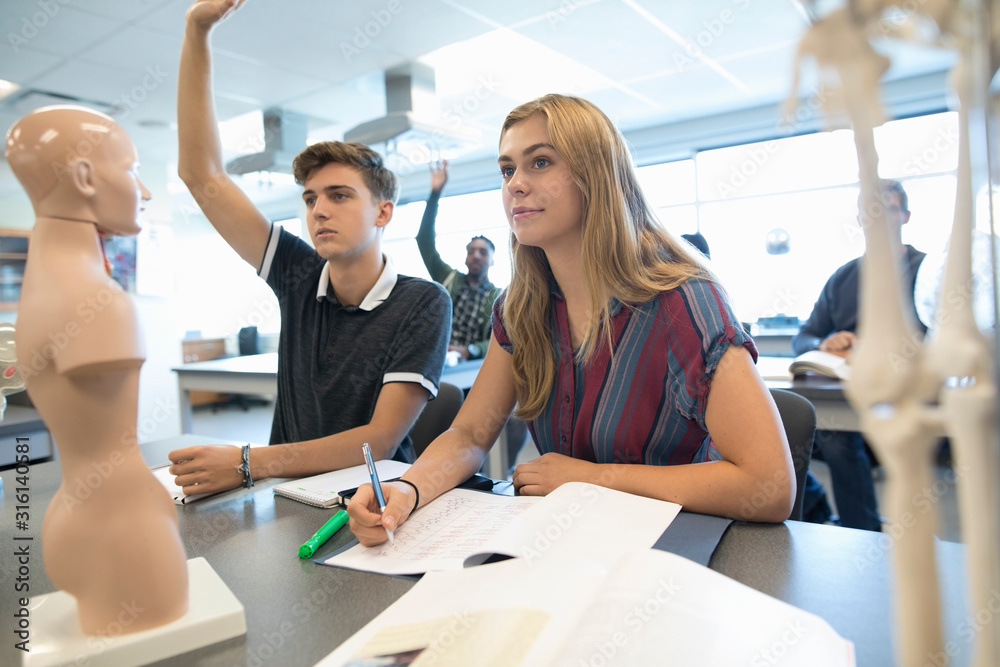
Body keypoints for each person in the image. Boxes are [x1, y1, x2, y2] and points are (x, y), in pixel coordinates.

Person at [348, 94, 795, 545]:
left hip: (673, 551)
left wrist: (593, 479)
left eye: (539, 162)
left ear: (595, 174)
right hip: (568, 541)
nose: (515, 184)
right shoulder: (521, 307)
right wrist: (408, 488)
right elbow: (469, 434)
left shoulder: (683, 302)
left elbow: (770, 485)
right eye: (507, 170)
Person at [168, 0, 451, 496]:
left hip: (369, 501)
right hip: (285, 494)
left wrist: (247, 462)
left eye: (339, 196)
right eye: (310, 198)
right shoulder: (298, 273)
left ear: (383, 212)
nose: (318, 209)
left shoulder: (423, 302)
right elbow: (202, 174)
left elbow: (379, 440)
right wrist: (197, 30)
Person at [7, 106, 188, 633]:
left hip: (76, 514)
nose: (146, 191)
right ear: (84, 178)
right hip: (125, 537)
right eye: (133, 170)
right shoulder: (96, 301)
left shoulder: (40, 292)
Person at [792, 178, 926, 532]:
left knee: (839, 436)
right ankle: (849, 527)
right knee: (809, 432)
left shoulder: (926, 271)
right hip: (845, 397)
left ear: (906, 216)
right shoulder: (843, 278)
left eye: (890, 210)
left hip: (907, 396)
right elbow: (803, 336)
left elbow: (939, 337)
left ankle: (872, 532)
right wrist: (824, 343)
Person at [416, 160, 501, 361]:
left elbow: (504, 339)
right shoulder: (448, 278)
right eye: (471, 251)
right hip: (437, 359)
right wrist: (435, 194)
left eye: (482, 252)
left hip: (471, 367)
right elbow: (424, 241)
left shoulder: (498, 297)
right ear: (465, 257)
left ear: (492, 261)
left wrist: (470, 350)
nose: (476, 256)